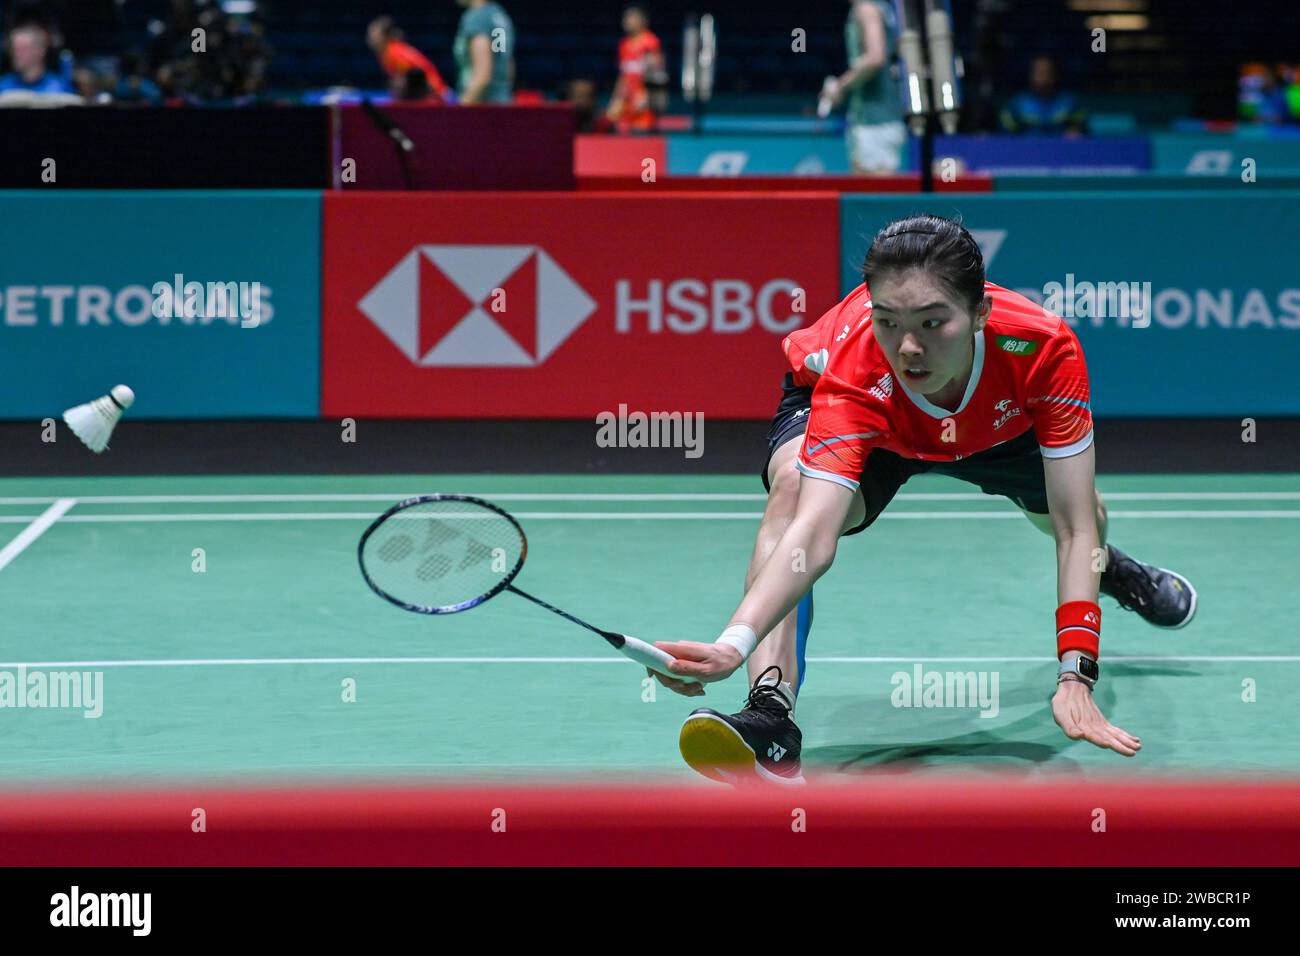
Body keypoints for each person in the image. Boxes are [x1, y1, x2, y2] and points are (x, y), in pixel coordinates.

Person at [649, 215, 1197, 785]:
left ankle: (1113, 571)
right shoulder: (860, 361)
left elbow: (1074, 528)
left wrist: (1075, 675)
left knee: (1084, 515)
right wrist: (735, 642)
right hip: (876, 415)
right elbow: (811, 536)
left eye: (933, 322)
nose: (909, 347)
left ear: (979, 314)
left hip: (997, 423)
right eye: (888, 321)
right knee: (792, 493)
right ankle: (770, 716)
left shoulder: (1042, 349)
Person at [822, 1, 906, 174]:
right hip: (876, 117)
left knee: (875, 195)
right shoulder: (880, 7)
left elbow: (875, 58)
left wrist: (839, 86)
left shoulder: (867, 8)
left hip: (876, 121)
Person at [606, 6, 665, 132]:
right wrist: (616, 99)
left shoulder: (650, 42)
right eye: (625, 18)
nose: (626, 21)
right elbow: (623, 75)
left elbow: (655, 73)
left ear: (642, 21)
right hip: (627, 101)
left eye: (631, 17)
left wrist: (646, 96)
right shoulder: (624, 45)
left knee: (641, 138)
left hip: (643, 102)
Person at [366, 15, 449, 102]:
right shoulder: (388, 52)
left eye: (374, 34)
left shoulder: (394, 52)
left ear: (385, 36)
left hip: (433, 94)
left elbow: (404, 82)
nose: (370, 38)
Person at [999, 55, 1087, 136]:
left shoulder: (1070, 103)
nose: (1043, 76)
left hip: (1062, 150)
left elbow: (1081, 129)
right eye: (1039, 72)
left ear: (1054, 74)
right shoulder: (1017, 104)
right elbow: (1006, 135)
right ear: (1031, 74)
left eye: (1047, 71)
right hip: (1026, 150)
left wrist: (1075, 132)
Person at [454, 0, 514, 104]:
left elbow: (482, 76)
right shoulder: (499, 16)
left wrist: (460, 111)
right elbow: (508, 67)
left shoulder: (477, 18)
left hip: (481, 108)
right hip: (503, 103)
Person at [0, 23, 74, 94]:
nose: (15, 54)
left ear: (39, 51)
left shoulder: (60, 88)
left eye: (21, 49)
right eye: (13, 49)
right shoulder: (3, 86)